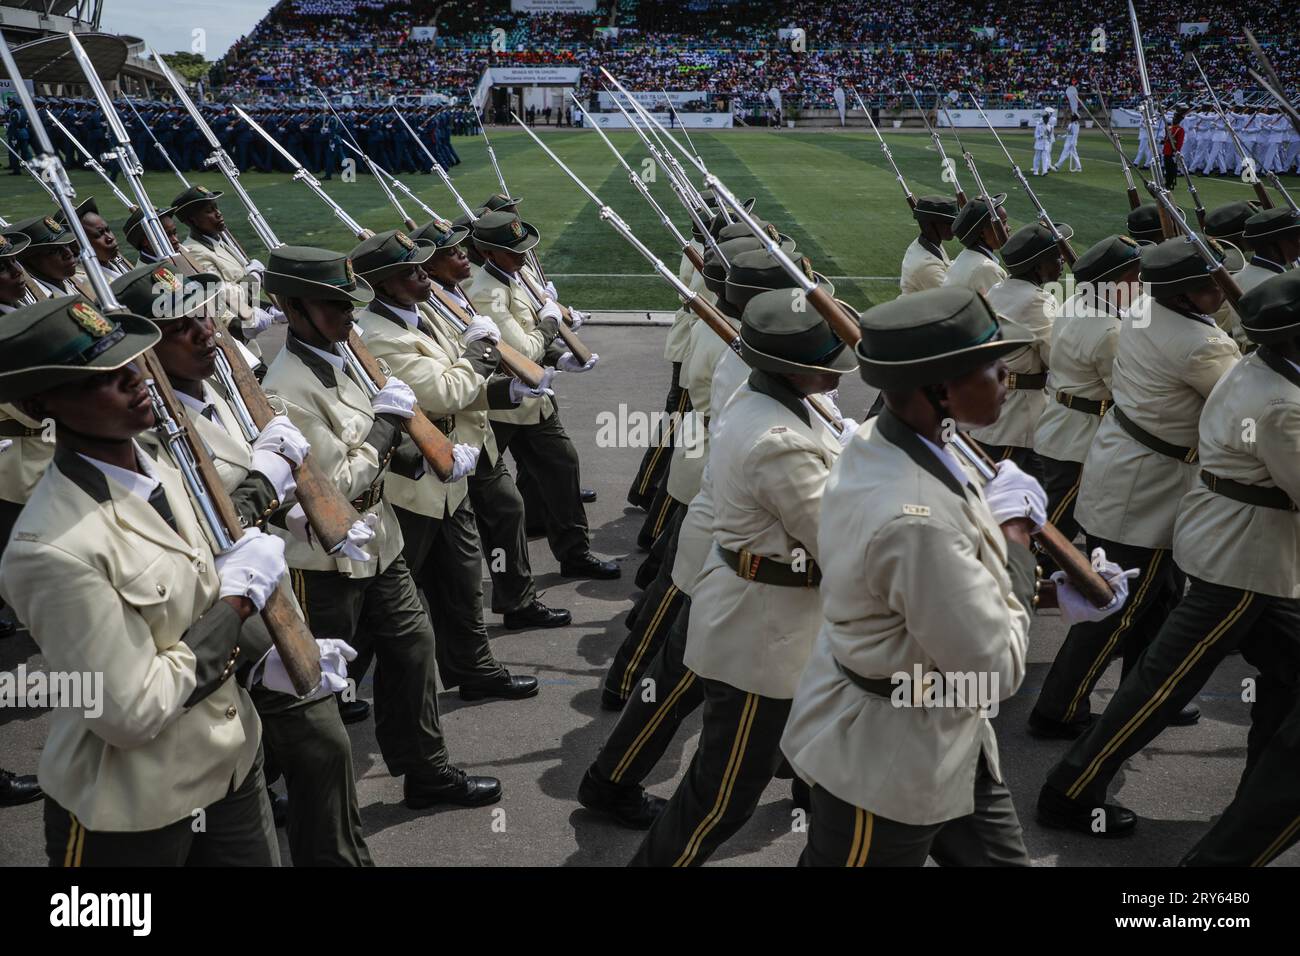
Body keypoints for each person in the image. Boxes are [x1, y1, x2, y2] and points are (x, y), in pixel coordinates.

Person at [781, 285, 1133, 866]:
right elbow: (995, 669)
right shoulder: (912, 514)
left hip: (946, 733)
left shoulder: (902, 442)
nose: (1005, 377)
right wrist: (1017, 532)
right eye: (992, 367)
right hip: (888, 758)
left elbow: (936, 588)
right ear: (939, 390)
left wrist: (1051, 594)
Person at [0, 294, 283, 865]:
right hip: (130, 809)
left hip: (229, 767)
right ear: (40, 403)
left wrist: (261, 657)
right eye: (100, 378)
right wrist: (237, 605)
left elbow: (190, 606)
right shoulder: (51, 547)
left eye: (130, 361)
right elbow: (132, 711)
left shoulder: (168, 466)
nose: (134, 381)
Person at [113, 262, 374, 866]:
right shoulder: (142, 427)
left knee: (311, 746)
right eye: (181, 324)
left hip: (259, 586)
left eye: (206, 314)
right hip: (201, 614)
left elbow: (241, 504)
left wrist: (293, 511)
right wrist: (264, 482)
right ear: (146, 344)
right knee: (294, 749)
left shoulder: (223, 389)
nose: (207, 332)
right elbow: (193, 527)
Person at [1042, 271, 1300, 853]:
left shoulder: (1253, 369)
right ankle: (1071, 788)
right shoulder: (1277, 400)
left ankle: (1261, 790)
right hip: (1243, 563)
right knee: (1158, 687)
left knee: (1281, 678)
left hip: (1251, 557)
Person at [260, 244, 502, 809]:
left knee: (414, 647)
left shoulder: (350, 355)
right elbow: (337, 482)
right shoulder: (287, 389)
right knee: (308, 685)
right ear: (292, 310)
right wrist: (390, 429)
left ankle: (427, 771)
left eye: (349, 304)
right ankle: (263, 785)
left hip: (380, 539)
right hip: (322, 560)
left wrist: (422, 456)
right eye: (332, 305)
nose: (348, 315)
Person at [630, 287, 855, 867]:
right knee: (721, 798)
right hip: (763, 638)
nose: (836, 376)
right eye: (825, 367)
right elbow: (839, 540)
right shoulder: (779, 440)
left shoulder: (773, 402)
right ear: (794, 370)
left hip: (783, 620)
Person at [1029, 240, 1241, 746]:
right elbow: (1237, 404)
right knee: (1118, 606)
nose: (1221, 290)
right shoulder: (1201, 344)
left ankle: (1139, 697)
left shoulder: (1146, 309)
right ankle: (1058, 708)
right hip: (1149, 485)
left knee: (1159, 595)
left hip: (1136, 470)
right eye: (1211, 284)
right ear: (1186, 294)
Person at [350, 227, 543, 698]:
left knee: (461, 584)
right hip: (412, 488)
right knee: (389, 599)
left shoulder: (421, 315)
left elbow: (458, 386)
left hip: (451, 474)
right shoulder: (379, 336)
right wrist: (481, 353)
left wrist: (506, 388)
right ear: (384, 284)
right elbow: (443, 391)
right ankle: (343, 686)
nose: (424, 276)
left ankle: (474, 670)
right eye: (412, 272)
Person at [414, 217, 572, 630]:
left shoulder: (454, 294)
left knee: (504, 509)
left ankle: (515, 601)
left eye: (461, 248)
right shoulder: (438, 305)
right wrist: (549, 324)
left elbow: (504, 352)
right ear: (428, 268)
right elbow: (463, 371)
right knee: (424, 553)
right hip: (448, 438)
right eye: (449, 252)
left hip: (477, 423)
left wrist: (544, 365)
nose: (463, 255)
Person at [463, 211, 618, 582]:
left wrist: (561, 358)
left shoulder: (515, 276)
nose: (521, 256)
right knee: (486, 499)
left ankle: (575, 552)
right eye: (511, 251)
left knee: (562, 465)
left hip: (532, 398)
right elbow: (523, 347)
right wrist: (552, 322)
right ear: (488, 253)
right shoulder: (485, 291)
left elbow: (531, 346)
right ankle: (506, 581)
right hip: (496, 405)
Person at [1032, 235, 1140, 554]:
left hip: (1060, 427)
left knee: (1053, 522)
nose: (1141, 282)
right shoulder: (1110, 330)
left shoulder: (1075, 303)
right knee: (1054, 534)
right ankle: (1019, 581)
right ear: (1118, 281)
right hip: (1081, 441)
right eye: (1136, 275)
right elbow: (1126, 392)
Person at [968, 222, 1069, 477]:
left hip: (993, 413)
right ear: (1038, 266)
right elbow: (1056, 358)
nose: (1061, 263)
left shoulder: (999, 289)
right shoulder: (1037, 300)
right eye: (1055, 258)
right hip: (1017, 421)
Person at [173, 185, 279, 357]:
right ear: (193, 220)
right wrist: (254, 277)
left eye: (216, 207)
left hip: (248, 343)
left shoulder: (218, 242)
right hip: (231, 344)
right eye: (209, 210)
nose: (218, 213)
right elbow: (225, 297)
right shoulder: (194, 253)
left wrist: (269, 311)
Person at [942, 195, 1009, 296]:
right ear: (982, 232)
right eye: (1002, 224)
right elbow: (999, 309)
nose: (1008, 228)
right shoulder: (987, 269)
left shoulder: (965, 257)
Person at [899, 195, 957, 294]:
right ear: (930, 225)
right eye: (948, 222)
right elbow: (951, 300)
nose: (954, 227)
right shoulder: (927, 266)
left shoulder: (928, 244)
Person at [1032, 111, 1054, 176]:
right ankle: (1035, 170)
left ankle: (1044, 171)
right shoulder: (1039, 125)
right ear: (1043, 119)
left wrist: (1049, 138)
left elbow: (1050, 136)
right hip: (1039, 144)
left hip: (1046, 144)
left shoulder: (1050, 126)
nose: (1047, 120)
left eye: (1048, 119)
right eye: (1046, 118)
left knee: (1045, 158)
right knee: (1037, 157)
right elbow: (1035, 135)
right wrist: (1041, 136)